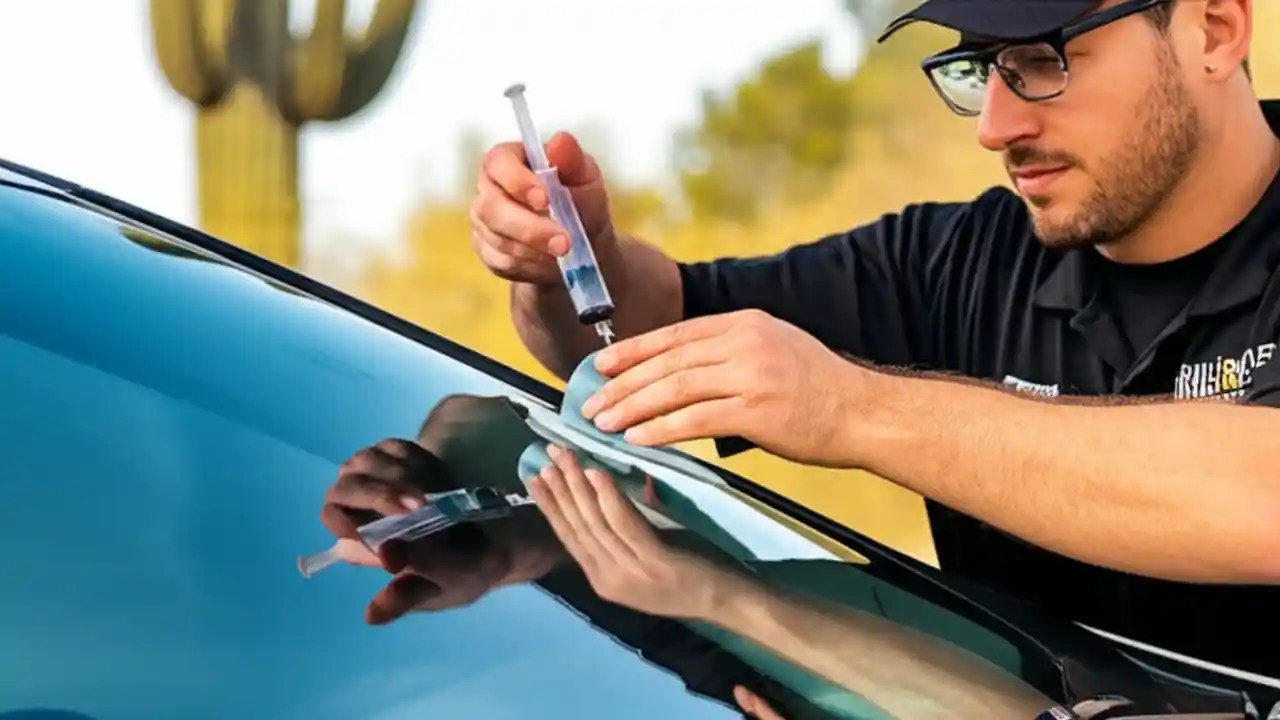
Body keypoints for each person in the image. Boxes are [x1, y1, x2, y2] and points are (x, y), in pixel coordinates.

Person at [467, 0, 1280, 678]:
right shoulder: (955, 261)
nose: (994, 127)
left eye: (1042, 60)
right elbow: (646, 337)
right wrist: (567, 258)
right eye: (979, 69)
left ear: (1212, 29)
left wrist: (853, 411)